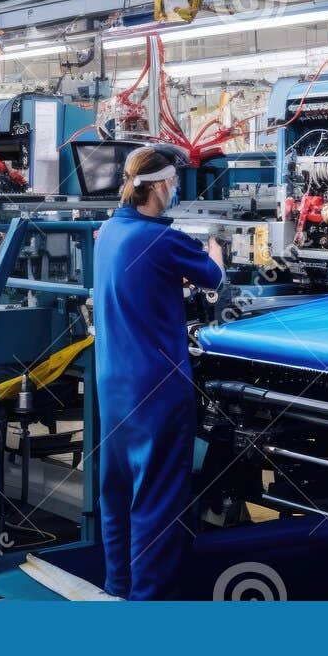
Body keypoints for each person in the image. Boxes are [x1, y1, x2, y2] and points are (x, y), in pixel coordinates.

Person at [92, 145, 224, 599]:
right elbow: (213, 279)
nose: (176, 189)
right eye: (175, 182)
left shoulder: (109, 231)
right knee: (158, 497)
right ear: (163, 184)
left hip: (114, 384)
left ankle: (118, 585)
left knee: (117, 490)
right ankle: (149, 601)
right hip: (157, 387)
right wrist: (215, 249)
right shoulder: (162, 239)